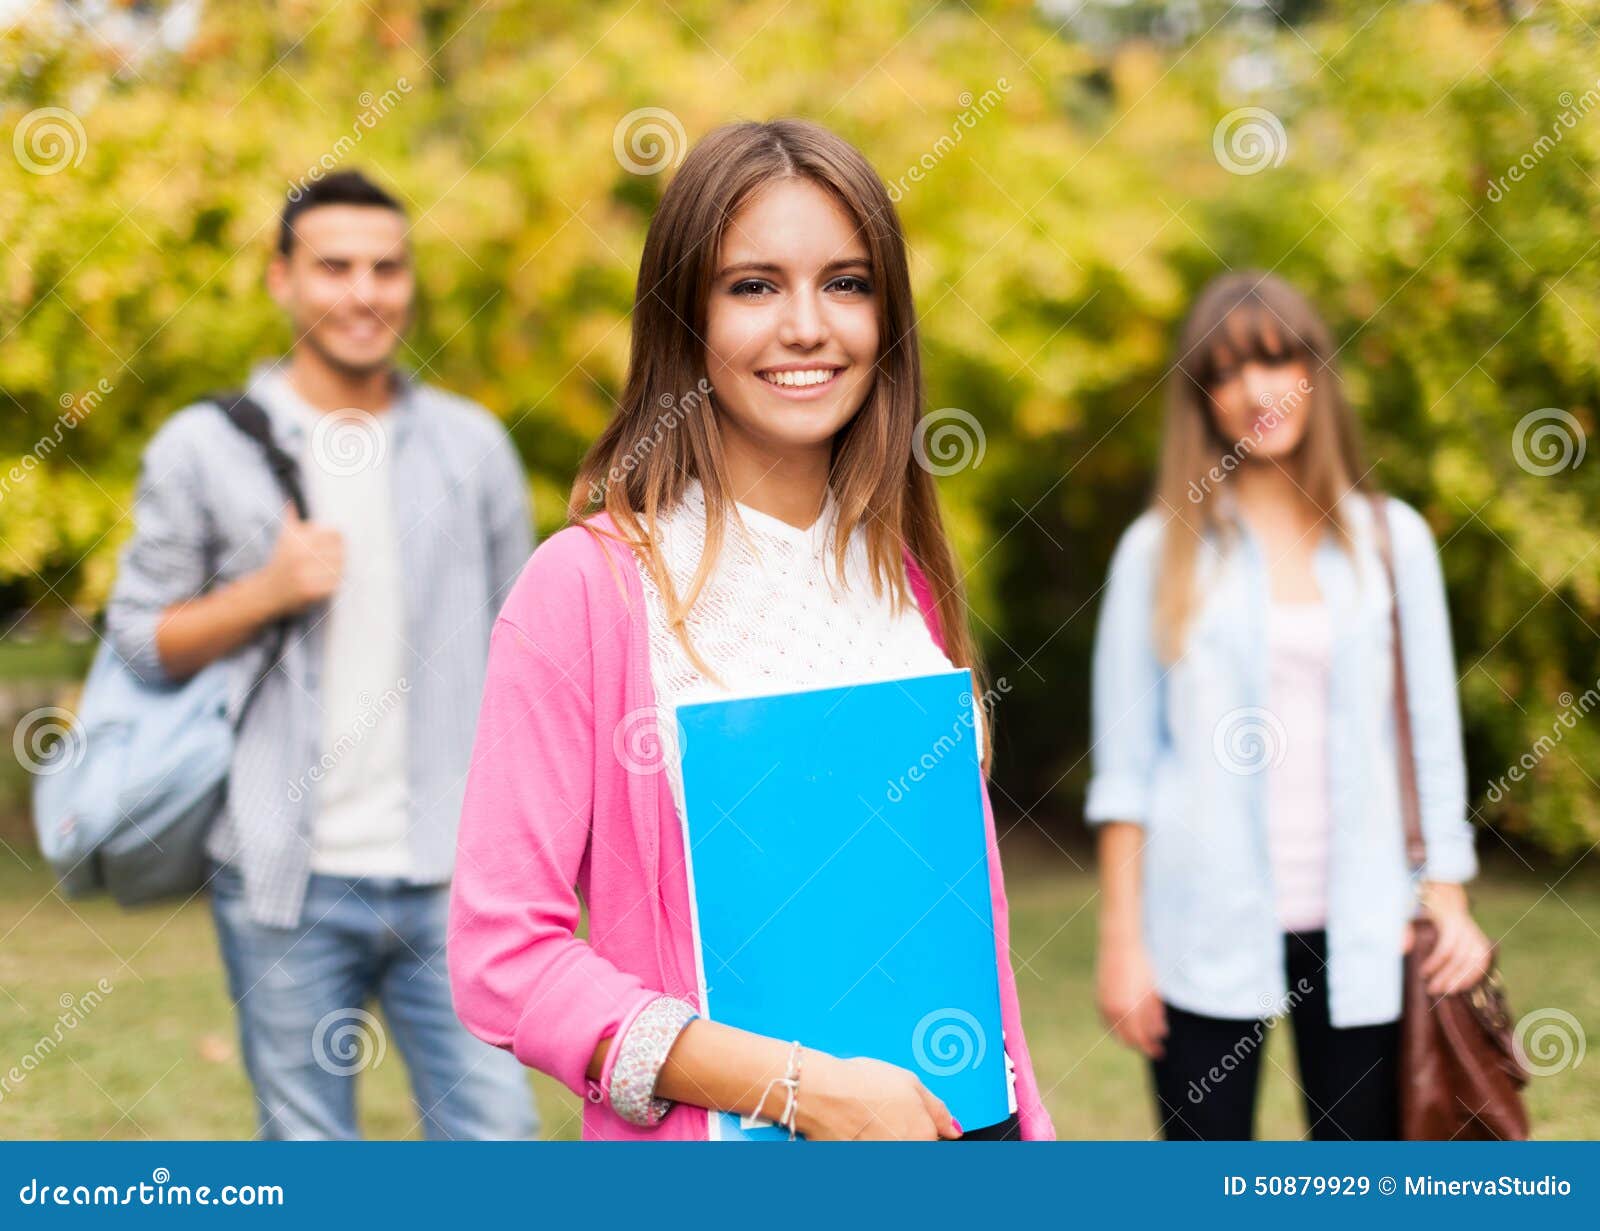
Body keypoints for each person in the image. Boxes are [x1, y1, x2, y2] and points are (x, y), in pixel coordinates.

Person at [447, 119, 1055, 1141]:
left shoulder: (902, 574)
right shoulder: (586, 590)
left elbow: (972, 945)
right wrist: (800, 1089)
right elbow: (505, 958)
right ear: (685, 321)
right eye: (754, 285)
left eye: (848, 284)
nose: (808, 326)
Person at [103, 170, 538, 1141]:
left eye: (387, 268)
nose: (364, 292)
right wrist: (267, 590)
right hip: (281, 879)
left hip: (451, 874)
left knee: (502, 1142)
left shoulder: (471, 447)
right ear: (281, 279)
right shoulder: (202, 448)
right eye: (334, 266)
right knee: (310, 1161)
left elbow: (525, 652)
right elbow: (140, 635)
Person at [1086, 270, 1493, 1141]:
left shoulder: (1395, 540)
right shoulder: (1158, 550)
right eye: (1227, 372)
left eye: (1280, 359)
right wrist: (1124, 943)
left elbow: (1430, 739)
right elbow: (1126, 771)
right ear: (1203, 400)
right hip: (1201, 919)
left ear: (1316, 371)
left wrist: (1447, 895)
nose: (1258, 389)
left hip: (1368, 920)